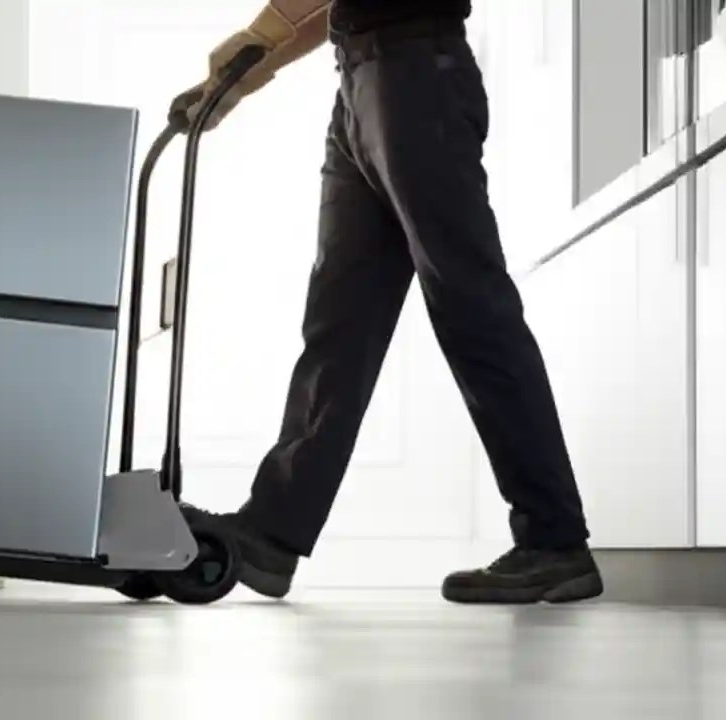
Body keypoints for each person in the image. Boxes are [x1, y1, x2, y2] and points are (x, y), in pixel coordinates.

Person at [170, 0, 604, 604]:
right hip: (361, 83)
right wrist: (248, 71)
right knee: (338, 322)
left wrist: (258, 37)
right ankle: (274, 530)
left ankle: (555, 540)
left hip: (416, 78)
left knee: (472, 307)